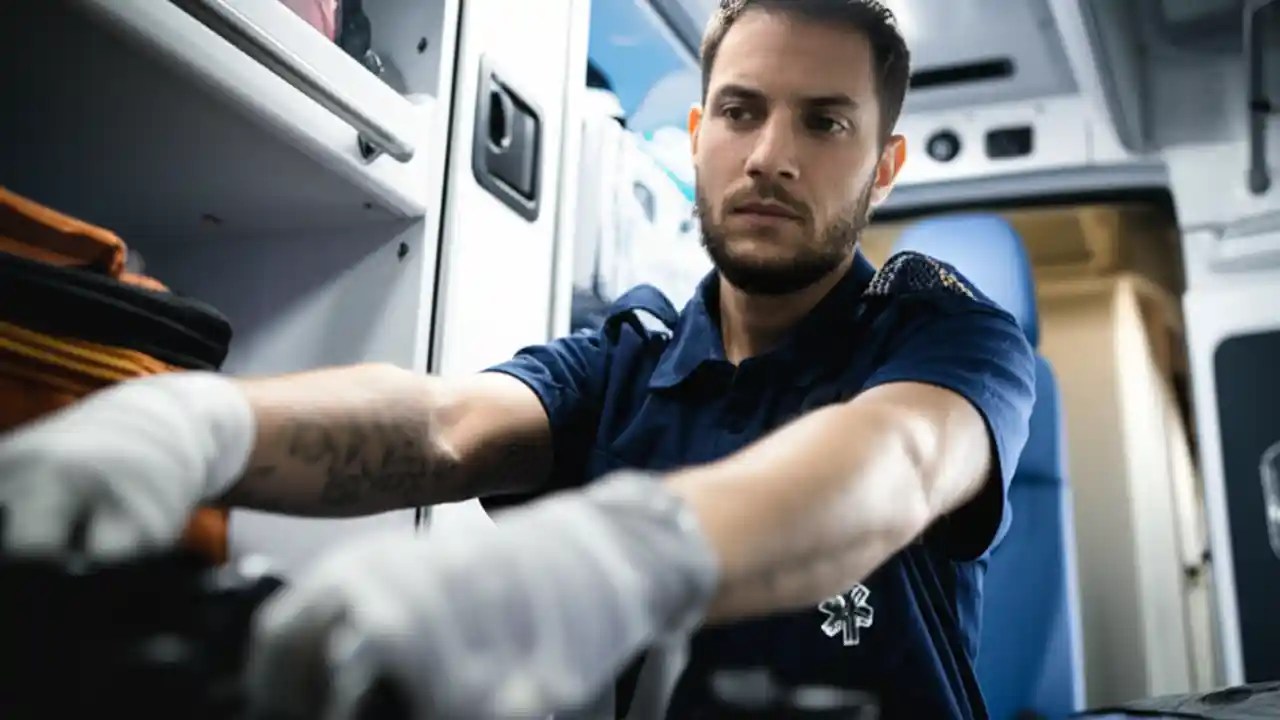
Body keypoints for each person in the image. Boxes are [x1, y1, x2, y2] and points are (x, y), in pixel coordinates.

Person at [0, 1, 1037, 718]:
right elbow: (445, 425)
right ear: (695, 133)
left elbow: (895, 461)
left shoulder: (940, 332)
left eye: (824, 121)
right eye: (740, 110)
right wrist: (196, 425)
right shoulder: (632, 358)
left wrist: (604, 560)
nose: (769, 153)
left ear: (883, 165)